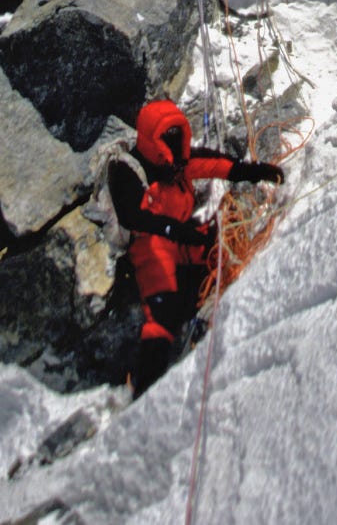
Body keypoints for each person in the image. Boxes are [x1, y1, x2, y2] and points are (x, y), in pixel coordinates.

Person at [109, 97, 284, 397]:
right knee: (163, 309)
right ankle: (145, 391)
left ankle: (202, 315)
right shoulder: (127, 171)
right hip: (149, 244)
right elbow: (137, 217)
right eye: (169, 141)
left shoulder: (178, 163)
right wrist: (181, 233)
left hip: (179, 238)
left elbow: (219, 165)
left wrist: (256, 172)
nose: (178, 151)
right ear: (154, 142)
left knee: (218, 245)